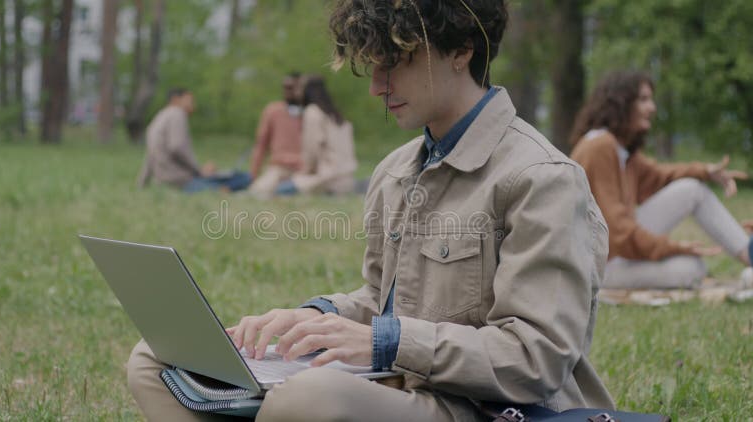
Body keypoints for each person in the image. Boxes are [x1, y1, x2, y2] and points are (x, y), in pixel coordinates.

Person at [126, 1, 616, 420]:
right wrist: (311, 318)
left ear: (462, 49)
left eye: (394, 62)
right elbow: (384, 301)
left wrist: (387, 343)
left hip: (487, 408)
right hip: (396, 389)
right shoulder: (395, 171)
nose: (376, 86)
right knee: (158, 360)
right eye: (372, 65)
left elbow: (536, 359)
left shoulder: (543, 178)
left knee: (309, 397)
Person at [570, 70, 752, 291]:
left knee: (692, 190)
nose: (652, 108)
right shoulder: (600, 146)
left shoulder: (621, 150)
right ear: (621, 103)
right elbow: (616, 232)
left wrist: (705, 171)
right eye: (643, 99)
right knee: (691, 268)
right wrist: (670, 247)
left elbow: (659, 176)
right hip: (596, 266)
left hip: (612, 253)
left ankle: (750, 254)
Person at [137, 88, 250, 193]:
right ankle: (223, 191)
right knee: (244, 177)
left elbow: (150, 155)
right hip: (181, 181)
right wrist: (199, 171)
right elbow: (177, 147)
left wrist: (142, 183)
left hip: (164, 181)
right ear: (176, 99)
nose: (193, 105)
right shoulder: (177, 113)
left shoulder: (158, 118)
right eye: (190, 101)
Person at [275, 75, 358, 196]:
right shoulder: (336, 115)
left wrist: (302, 173)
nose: (297, 92)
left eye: (300, 88)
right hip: (347, 180)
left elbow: (311, 153)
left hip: (328, 181)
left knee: (279, 189)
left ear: (308, 90)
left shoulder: (312, 112)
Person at [248, 73, 304, 198]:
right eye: (285, 87)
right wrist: (253, 174)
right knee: (258, 191)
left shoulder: (312, 113)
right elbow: (261, 145)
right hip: (278, 168)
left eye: (292, 87)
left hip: (304, 171)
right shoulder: (273, 111)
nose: (288, 91)